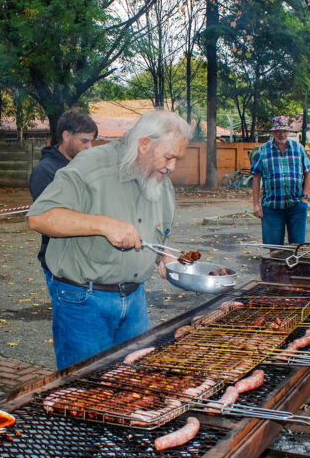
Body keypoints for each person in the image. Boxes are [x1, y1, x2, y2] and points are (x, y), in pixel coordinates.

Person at [26, 110, 191, 369]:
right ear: (145, 144)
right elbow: (40, 217)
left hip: (135, 301)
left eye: (177, 159)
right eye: (169, 157)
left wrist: (163, 254)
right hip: (84, 302)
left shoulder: (161, 181)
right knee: (84, 393)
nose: (172, 167)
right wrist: (104, 225)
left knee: (134, 385)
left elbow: (158, 232)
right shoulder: (91, 164)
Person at [28, 109, 98, 288]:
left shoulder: (85, 165)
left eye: (91, 141)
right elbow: (47, 220)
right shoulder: (45, 171)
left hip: (88, 262)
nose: (89, 147)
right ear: (66, 135)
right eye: (84, 141)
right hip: (62, 267)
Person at [251, 116, 310, 244]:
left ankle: (294, 265)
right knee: (274, 249)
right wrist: (256, 204)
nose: (281, 134)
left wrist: (305, 197)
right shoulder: (263, 151)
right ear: (273, 132)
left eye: (284, 131)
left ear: (289, 131)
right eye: (278, 131)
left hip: (296, 206)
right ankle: (275, 265)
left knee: (297, 247)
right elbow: (256, 178)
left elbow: (308, 172)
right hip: (271, 207)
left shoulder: (299, 148)